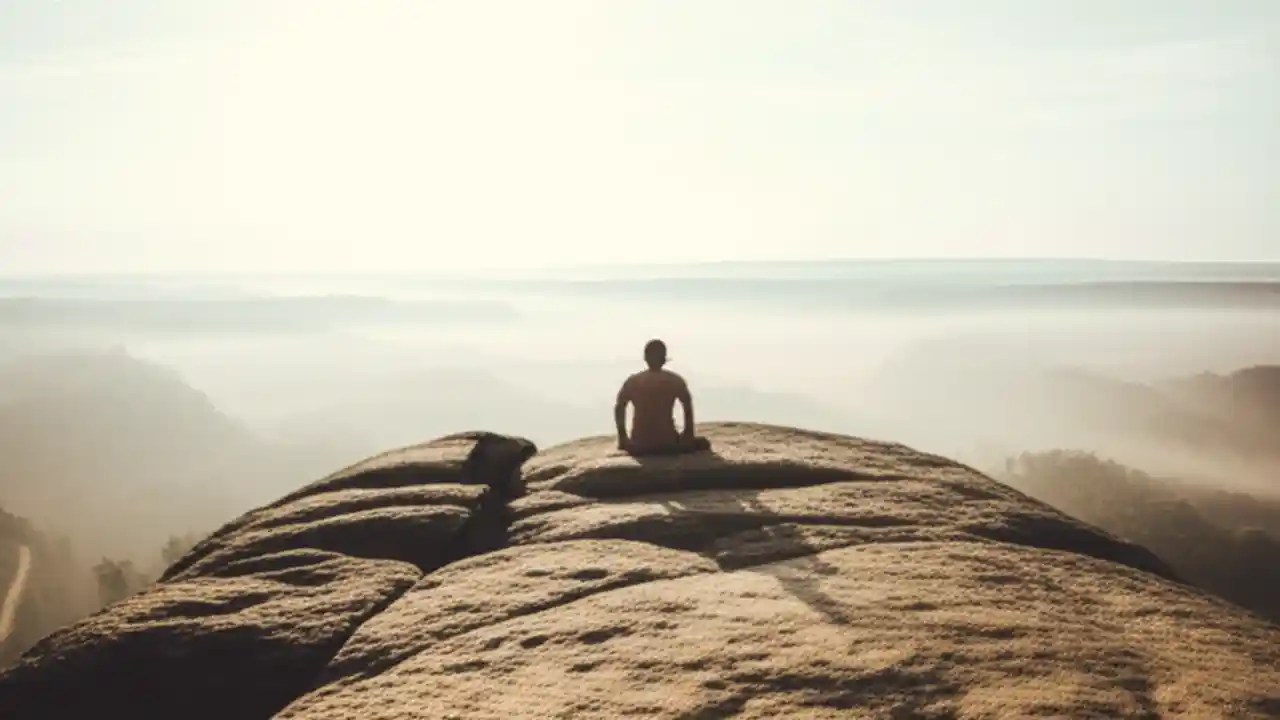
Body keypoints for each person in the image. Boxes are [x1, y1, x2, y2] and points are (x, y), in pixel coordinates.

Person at [614, 339, 711, 456]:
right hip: (668, 442)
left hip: (639, 443)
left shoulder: (633, 381)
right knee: (703, 443)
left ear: (645, 358)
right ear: (664, 359)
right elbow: (687, 405)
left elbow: (620, 407)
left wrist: (623, 437)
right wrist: (688, 434)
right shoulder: (675, 380)